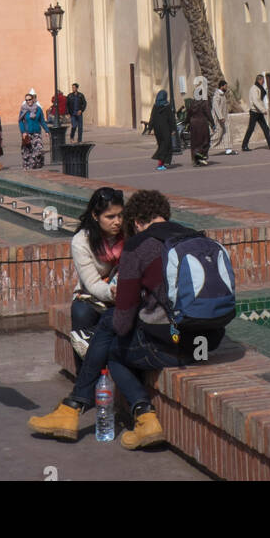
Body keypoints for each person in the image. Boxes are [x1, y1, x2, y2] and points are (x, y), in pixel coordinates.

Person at [29, 189, 227, 449]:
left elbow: (122, 322)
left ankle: (92, 410)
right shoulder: (197, 238)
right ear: (164, 214)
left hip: (174, 346)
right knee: (112, 329)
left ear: (135, 221)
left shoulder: (138, 246)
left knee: (111, 343)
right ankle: (76, 409)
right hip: (207, 343)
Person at [69, 187, 125, 357]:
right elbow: (92, 283)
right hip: (94, 295)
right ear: (95, 216)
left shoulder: (128, 233)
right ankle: (84, 375)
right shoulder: (81, 241)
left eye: (120, 215)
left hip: (127, 293)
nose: (117, 221)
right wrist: (111, 292)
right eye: (110, 217)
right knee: (81, 313)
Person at [242, 74, 270, 151]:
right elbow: (256, 101)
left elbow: (260, 100)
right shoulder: (254, 89)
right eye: (262, 80)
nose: (263, 82)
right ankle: (244, 145)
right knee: (251, 129)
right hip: (254, 112)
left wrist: (262, 110)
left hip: (259, 112)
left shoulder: (259, 88)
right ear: (259, 80)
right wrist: (263, 110)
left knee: (266, 128)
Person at [149, 90, 174, 170]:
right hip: (165, 129)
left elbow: (152, 118)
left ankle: (162, 163)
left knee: (161, 145)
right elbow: (171, 119)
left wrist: (150, 128)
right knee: (165, 145)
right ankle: (160, 164)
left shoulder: (155, 106)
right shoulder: (167, 106)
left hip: (157, 129)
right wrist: (173, 129)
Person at [210, 79, 236, 156]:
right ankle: (207, 144)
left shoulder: (222, 95)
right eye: (225, 86)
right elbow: (216, 107)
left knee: (227, 133)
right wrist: (220, 117)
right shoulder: (216, 95)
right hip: (219, 119)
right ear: (222, 86)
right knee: (218, 134)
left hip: (224, 118)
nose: (226, 87)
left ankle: (228, 149)